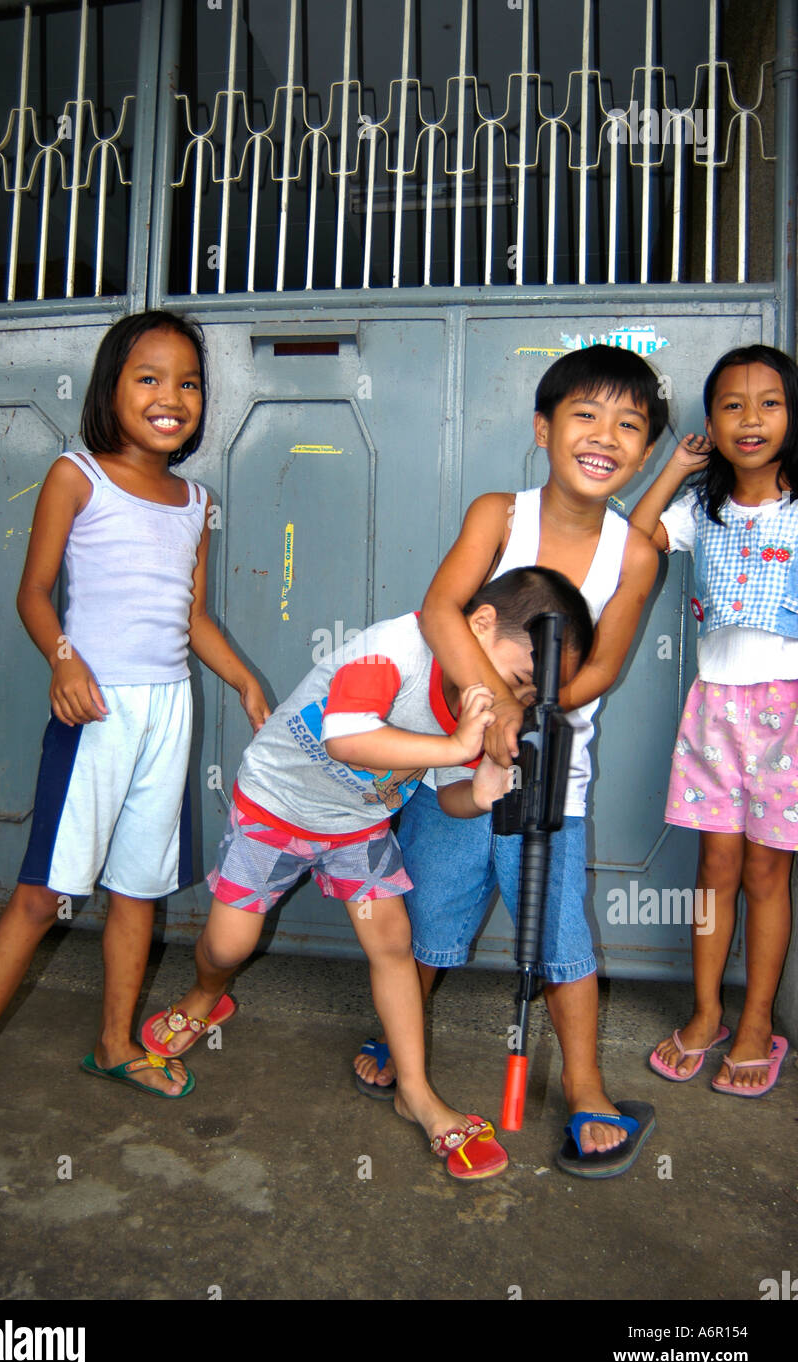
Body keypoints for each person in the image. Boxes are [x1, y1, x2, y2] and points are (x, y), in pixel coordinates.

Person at [0, 310, 270, 1152]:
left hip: (168, 710)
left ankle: (116, 1044)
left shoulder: (196, 500)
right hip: (96, 710)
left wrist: (245, 681)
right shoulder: (75, 475)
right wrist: (63, 659)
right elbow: (34, 591)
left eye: (188, 382)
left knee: (138, 889)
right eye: (148, 378)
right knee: (42, 893)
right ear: (110, 388)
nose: (171, 397)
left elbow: (193, 618)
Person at [140, 567, 592, 1179]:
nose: (517, 700)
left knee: (393, 942)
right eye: (516, 680)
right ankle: (205, 993)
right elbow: (347, 740)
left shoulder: (471, 711)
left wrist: (481, 792)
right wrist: (459, 747)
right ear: (480, 625)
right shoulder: (394, 648)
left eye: (530, 696)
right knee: (228, 944)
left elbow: (448, 791)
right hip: (275, 807)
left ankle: (417, 1094)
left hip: (359, 828)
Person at [353, 344, 669, 1178]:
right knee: (427, 921)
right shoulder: (500, 514)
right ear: (544, 428)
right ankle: (403, 1043)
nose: (606, 436)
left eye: (630, 425)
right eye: (586, 416)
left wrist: (528, 713)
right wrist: (490, 703)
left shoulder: (636, 554)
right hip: (451, 770)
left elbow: (597, 669)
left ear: (646, 451)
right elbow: (440, 610)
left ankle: (588, 1085)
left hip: (553, 786)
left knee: (563, 940)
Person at [631, 344, 797, 1095]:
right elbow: (638, 542)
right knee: (715, 869)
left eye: (769, 402)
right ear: (712, 422)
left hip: (788, 709)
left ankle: (758, 1021)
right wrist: (675, 469)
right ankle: (707, 1014)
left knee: (767, 870)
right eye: (732, 405)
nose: (751, 419)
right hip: (715, 708)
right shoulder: (703, 508)